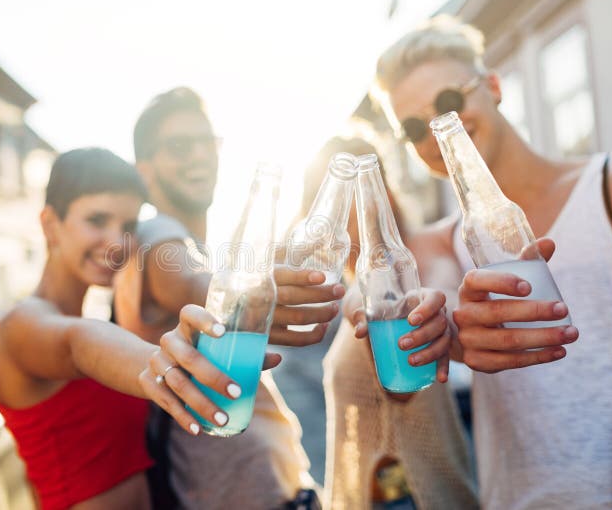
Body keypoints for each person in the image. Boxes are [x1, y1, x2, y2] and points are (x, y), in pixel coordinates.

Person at [114, 88, 453, 509]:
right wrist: (258, 288)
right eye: (179, 146)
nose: (199, 155)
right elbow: (194, 284)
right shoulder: (156, 238)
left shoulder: (202, 246)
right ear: (144, 168)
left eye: (207, 142)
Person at [371, 14, 612, 508]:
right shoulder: (435, 244)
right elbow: (433, 304)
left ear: (495, 87)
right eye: (414, 127)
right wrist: (440, 329)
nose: (440, 130)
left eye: (449, 102)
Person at [0, 148, 267, 510]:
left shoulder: (104, 319)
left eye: (128, 227)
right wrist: (159, 359)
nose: (116, 243)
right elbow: (78, 345)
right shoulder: (22, 325)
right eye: (97, 219)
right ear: (49, 225)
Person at [313, 137, 478, 510]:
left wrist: (374, 306)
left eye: (363, 187)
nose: (352, 209)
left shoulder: (418, 254)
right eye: (338, 199)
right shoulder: (347, 285)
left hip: (413, 497)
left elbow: (427, 294)